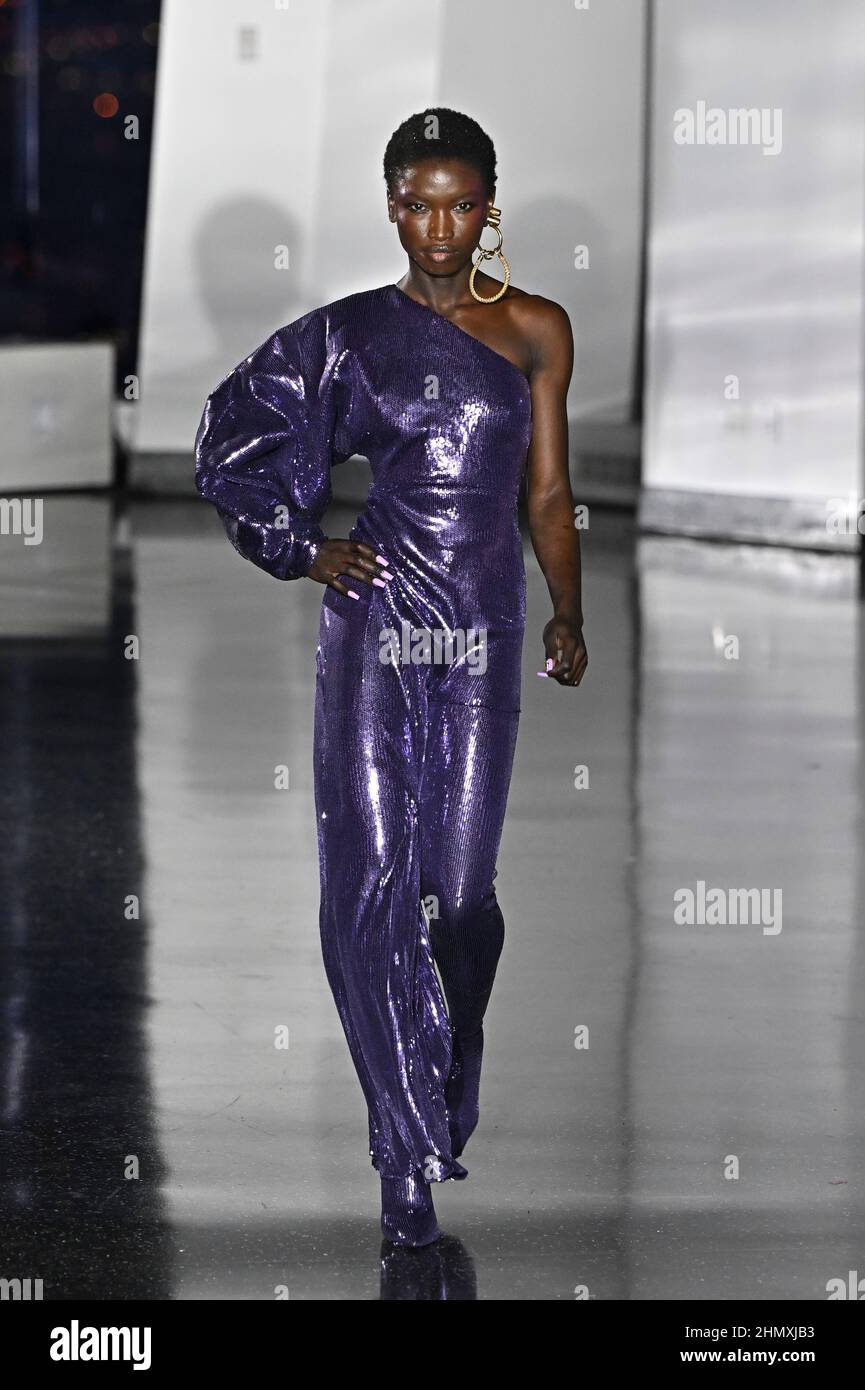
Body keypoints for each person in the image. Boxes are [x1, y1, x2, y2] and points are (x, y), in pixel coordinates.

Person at [194, 107, 587, 1249]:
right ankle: (400, 1149)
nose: (437, 226)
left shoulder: (535, 332)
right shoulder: (351, 337)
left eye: (459, 203)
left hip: (481, 633)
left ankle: (455, 1038)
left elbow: (547, 496)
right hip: (374, 626)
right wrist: (300, 545)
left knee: (458, 897)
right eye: (416, 202)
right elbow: (238, 431)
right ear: (389, 205)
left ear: (488, 207)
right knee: (371, 885)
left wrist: (569, 609)